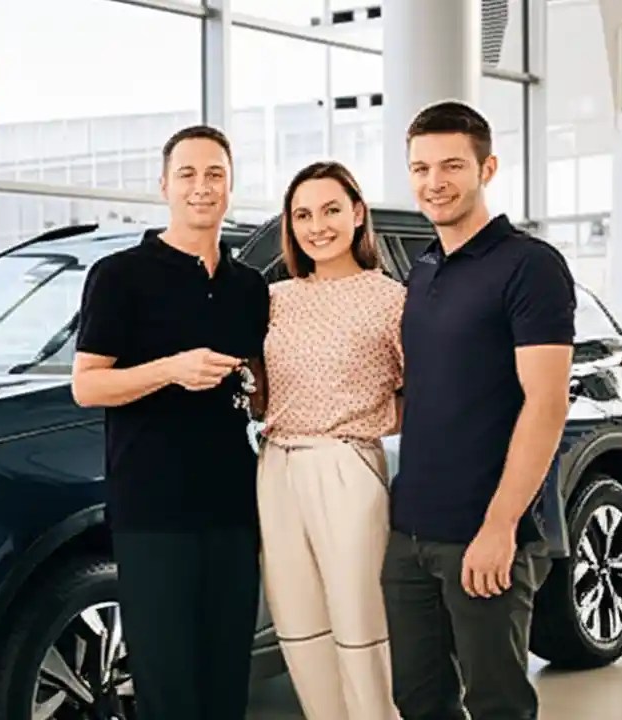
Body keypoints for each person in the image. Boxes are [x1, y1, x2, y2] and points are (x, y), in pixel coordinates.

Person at [383, 100, 576, 720]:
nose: (433, 182)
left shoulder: (529, 266)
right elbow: (432, 390)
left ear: (486, 167)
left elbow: (546, 405)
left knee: (496, 703)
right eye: (419, 168)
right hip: (410, 529)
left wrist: (499, 527)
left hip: (485, 530)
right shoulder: (424, 269)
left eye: (451, 166)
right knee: (417, 699)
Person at [70, 124, 269, 720]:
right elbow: (87, 385)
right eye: (188, 174)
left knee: (227, 674)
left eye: (214, 175)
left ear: (231, 186)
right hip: (154, 511)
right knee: (168, 683)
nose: (201, 188)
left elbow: (259, 388)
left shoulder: (250, 287)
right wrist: (171, 369)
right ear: (164, 185)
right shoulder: (119, 275)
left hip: (234, 509)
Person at [254, 160, 403, 720]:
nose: (318, 225)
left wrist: (374, 417)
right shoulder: (277, 299)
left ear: (358, 214)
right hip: (276, 465)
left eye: (331, 210)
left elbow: (426, 391)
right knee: (299, 625)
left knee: (359, 623)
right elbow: (263, 388)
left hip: (345, 463)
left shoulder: (390, 299)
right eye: (302, 215)